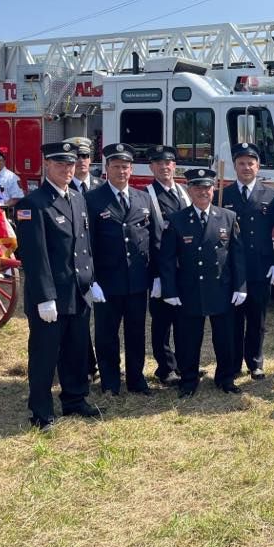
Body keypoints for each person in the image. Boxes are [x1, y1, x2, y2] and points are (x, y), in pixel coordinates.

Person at [14, 141, 99, 431]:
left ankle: (75, 399)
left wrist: (92, 281)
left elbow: (83, 245)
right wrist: (45, 296)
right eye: (60, 164)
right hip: (50, 297)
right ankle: (41, 411)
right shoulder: (33, 204)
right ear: (47, 165)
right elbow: (35, 256)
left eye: (71, 164)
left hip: (78, 291)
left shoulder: (77, 198)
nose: (67, 169)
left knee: (76, 350)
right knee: (45, 354)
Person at [159, 167, 247, 396]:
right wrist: (169, 289)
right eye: (197, 187)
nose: (203, 191)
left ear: (213, 188)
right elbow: (167, 259)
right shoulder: (177, 220)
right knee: (188, 339)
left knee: (225, 338)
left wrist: (240, 286)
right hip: (190, 289)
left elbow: (237, 256)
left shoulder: (227, 217)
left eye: (207, 187)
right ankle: (188, 381)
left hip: (222, 288)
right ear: (189, 189)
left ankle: (226, 378)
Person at [85, 143, 154, 396]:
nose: (121, 171)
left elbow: (152, 239)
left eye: (125, 166)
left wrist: (155, 277)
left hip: (137, 281)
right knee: (106, 336)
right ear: (107, 169)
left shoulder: (143, 198)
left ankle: (136, 379)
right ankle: (110, 382)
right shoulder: (92, 199)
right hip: (107, 282)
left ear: (131, 168)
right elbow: (87, 244)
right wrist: (92, 280)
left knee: (136, 333)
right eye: (116, 167)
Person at [218, 142, 274, 380]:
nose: (246, 167)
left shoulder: (272, 195)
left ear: (258, 166)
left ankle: (255, 362)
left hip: (259, 267)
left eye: (250, 163)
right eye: (241, 163)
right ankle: (234, 364)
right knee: (233, 320)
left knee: (257, 318)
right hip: (232, 268)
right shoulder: (223, 195)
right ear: (234, 166)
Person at [144, 145, 190, 387]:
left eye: (169, 162)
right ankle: (165, 368)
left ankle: (184, 364)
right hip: (160, 271)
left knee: (183, 320)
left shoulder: (184, 192)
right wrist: (157, 276)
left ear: (175, 166)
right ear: (152, 167)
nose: (165, 167)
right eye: (159, 163)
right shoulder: (147, 195)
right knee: (161, 322)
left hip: (183, 269)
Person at [64, 136, 103, 380]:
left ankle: (102, 363)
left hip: (103, 262)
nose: (81, 161)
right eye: (76, 157)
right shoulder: (64, 188)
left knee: (104, 320)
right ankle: (86, 365)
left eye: (85, 156)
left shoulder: (102, 186)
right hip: (77, 263)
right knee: (80, 317)